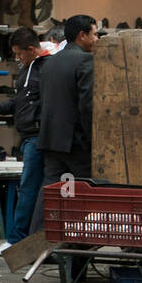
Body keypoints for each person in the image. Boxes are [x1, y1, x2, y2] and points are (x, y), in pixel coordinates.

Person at [0, 28, 47, 254]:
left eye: (19, 54)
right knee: (30, 189)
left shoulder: (45, 68)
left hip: (37, 137)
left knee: (29, 189)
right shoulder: (28, 68)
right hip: (30, 136)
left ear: (31, 49)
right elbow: (20, 100)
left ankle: (17, 239)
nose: (17, 58)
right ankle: (21, 239)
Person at [38, 14, 98, 185]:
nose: (96, 39)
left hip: (50, 138)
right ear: (82, 35)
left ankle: (42, 214)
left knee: (52, 192)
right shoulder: (85, 60)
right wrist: (91, 139)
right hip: (75, 141)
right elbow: (87, 104)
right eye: (94, 34)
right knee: (88, 190)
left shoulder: (50, 62)